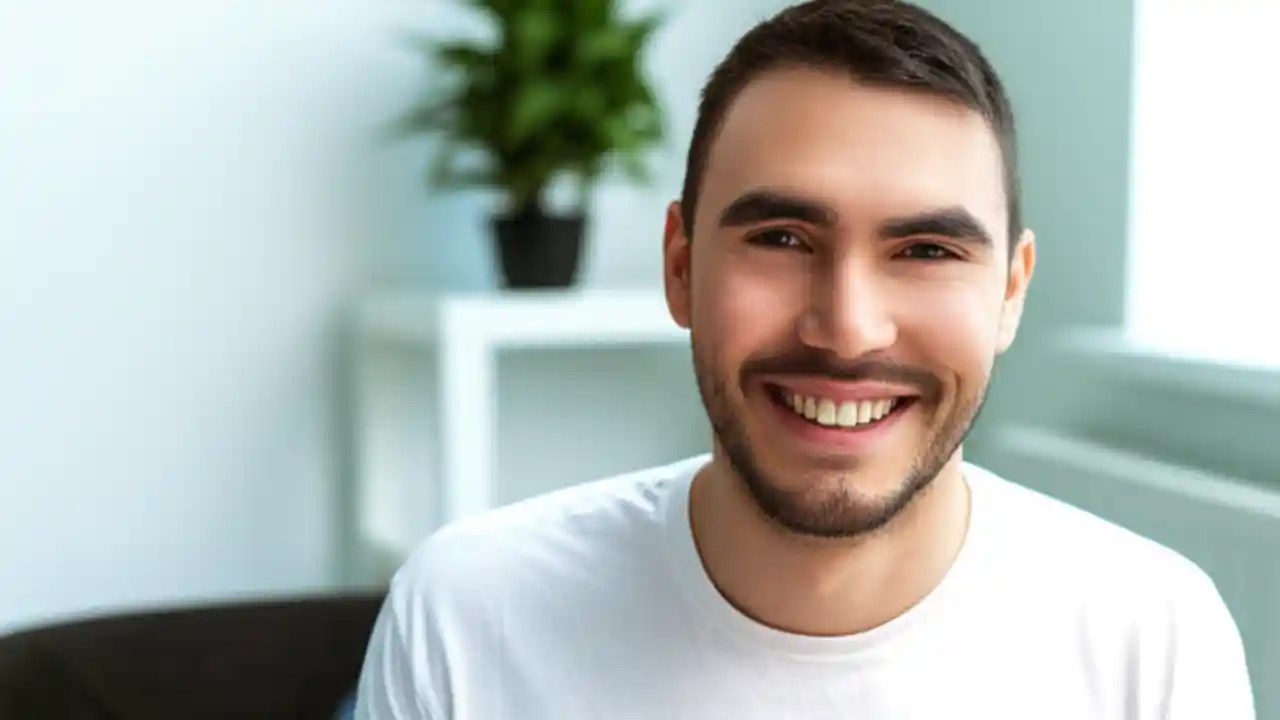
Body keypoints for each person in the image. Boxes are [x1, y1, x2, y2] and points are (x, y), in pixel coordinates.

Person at [354, 1, 1255, 718]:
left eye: (927, 250)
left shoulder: (1154, 638)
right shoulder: (470, 617)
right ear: (682, 266)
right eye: (782, 237)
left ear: (1011, 292)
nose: (848, 329)